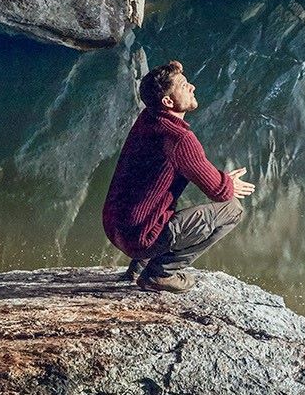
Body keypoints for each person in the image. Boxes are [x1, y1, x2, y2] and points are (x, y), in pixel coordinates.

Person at [102, 60, 255, 292]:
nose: (192, 86)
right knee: (232, 210)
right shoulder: (179, 138)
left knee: (161, 197)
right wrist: (228, 182)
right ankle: (160, 274)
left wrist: (174, 70)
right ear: (168, 101)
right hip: (139, 237)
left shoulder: (149, 118)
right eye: (184, 86)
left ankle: (138, 266)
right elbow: (219, 192)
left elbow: (159, 89)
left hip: (116, 228)